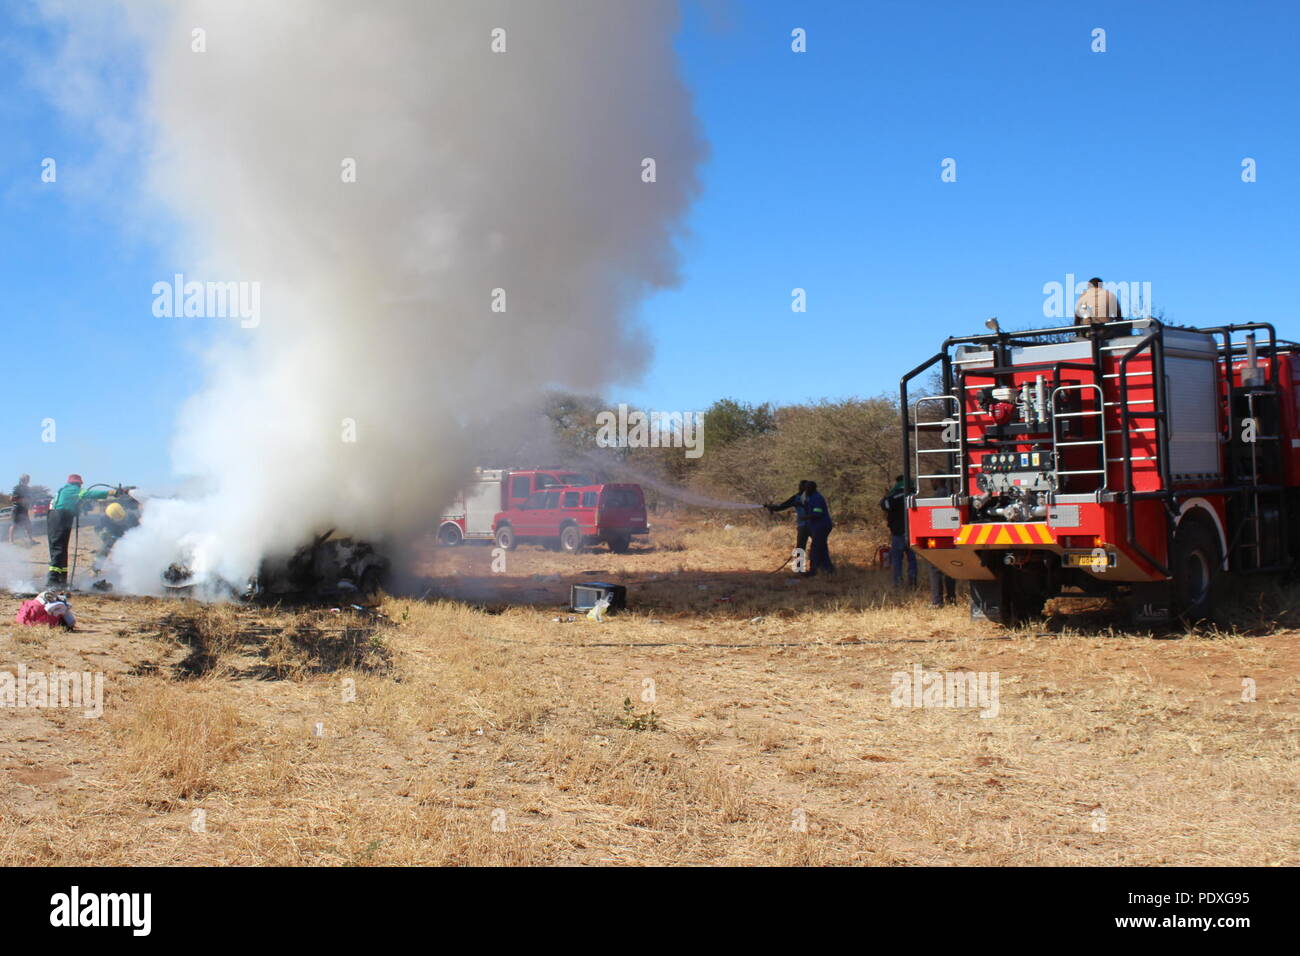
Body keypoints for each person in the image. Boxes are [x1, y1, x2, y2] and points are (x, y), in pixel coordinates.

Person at [46, 475, 117, 586]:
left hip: (58, 517)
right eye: (79, 484)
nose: (80, 486)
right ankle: (52, 580)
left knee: (61, 548)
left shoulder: (64, 490)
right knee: (58, 548)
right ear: (77, 483)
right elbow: (88, 494)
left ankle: (62, 579)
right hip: (60, 517)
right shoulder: (72, 489)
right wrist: (110, 493)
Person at [880, 475, 917, 588]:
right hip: (912, 533)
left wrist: (886, 496)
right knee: (912, 559)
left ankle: (897, 583)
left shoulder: (893, 496)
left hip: (898, 533)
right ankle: (913, 582)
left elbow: (884, 505)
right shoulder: (915, 495)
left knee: (897, 560)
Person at [765, 481, 811, 568]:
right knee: (800, 547)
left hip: (814, 525)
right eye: (800, 486)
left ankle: (817, 568)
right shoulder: (796, 497)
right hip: (802, 526)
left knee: (817, 546)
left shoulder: (813, 497)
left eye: (803, 486)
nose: (801, 488)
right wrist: (772, 507)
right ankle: (799, 567)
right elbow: (783, 506)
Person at [927, 483, 957, 607]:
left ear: (937, 480)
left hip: (938, 536)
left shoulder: (937, 495)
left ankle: (937, 601)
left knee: (935, 568)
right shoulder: (953, 494)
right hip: (952, 536)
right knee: (951, 567)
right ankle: (951, 598)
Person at [803, 481, 835, 576]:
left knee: (816, 548)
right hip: (819, 526)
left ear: (812, 488)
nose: (805, 490)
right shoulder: (812, 497)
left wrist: (807, 517)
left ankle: (813, 570)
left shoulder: (816, 498)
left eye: (807, 488)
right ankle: (828, 569)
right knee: (822, 547)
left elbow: (818, 512)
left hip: (821, 525)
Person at [8, 474, 35, 545]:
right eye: (27, 479)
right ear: (22, 479)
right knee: (14, 525)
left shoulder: (28, 489)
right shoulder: (17, 487)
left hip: (24, 509)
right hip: (16, 509)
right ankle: (11, 541)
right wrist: (22, 499)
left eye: (29, 479)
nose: (28, 480)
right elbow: (11, 498)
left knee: (28, 524)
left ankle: (30, 540)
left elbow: (30, 498)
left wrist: (29, 501)